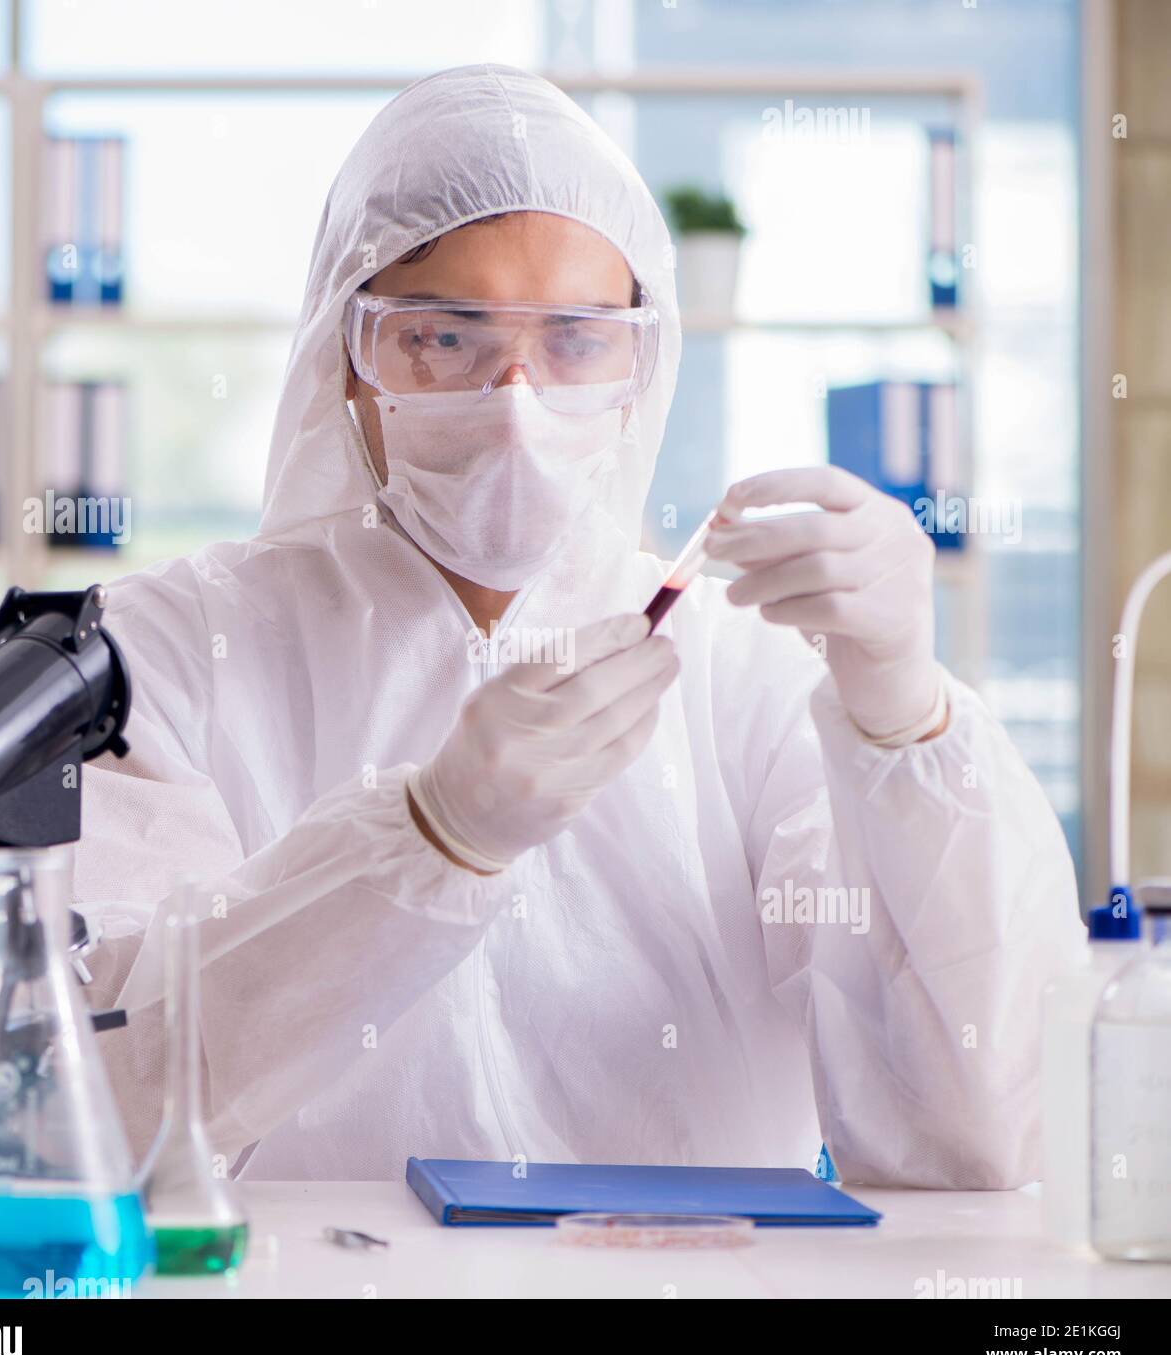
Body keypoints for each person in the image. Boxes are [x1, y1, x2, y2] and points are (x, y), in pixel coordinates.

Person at [72, 64, 1083, 1186]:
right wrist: (424, 837)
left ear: (639, 365)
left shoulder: (747, 669)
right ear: (346, 360)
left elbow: (978, 1136)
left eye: (576, 338)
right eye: (442, 337)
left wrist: (906, 724)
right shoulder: (164, 651)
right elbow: (92, 1104)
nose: (516, 400)